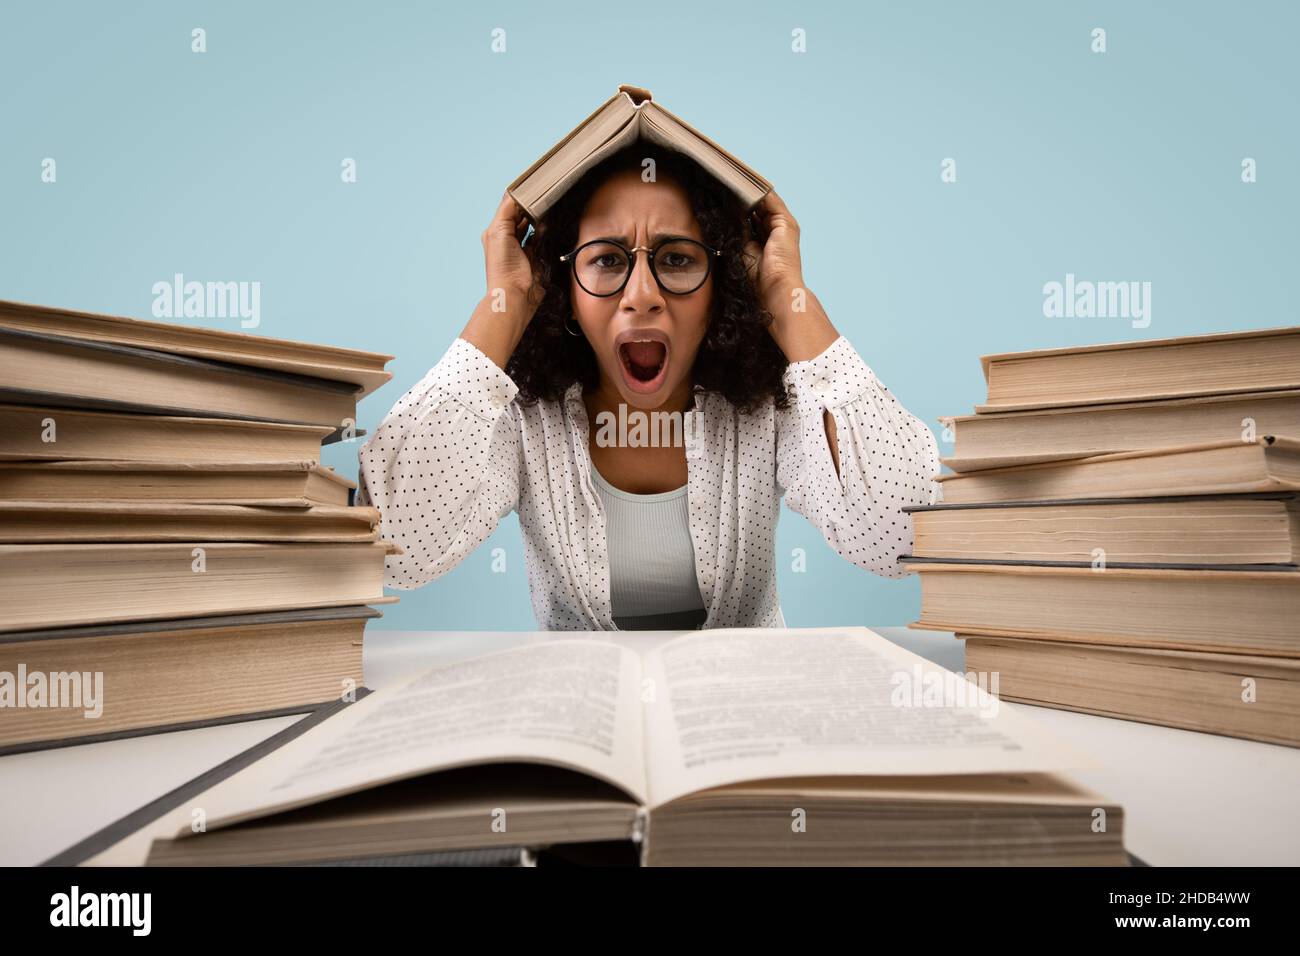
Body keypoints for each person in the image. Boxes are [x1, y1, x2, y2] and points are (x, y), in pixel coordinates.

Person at [357, 144, 940, 630]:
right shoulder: (523, 420)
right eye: (607, 261)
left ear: (722, 287)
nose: (642, 294)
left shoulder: (767, 412)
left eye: (678, 259)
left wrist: (788, 296)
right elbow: (396, 547)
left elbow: (903, 535)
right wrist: (505, 303)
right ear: (564, 289)